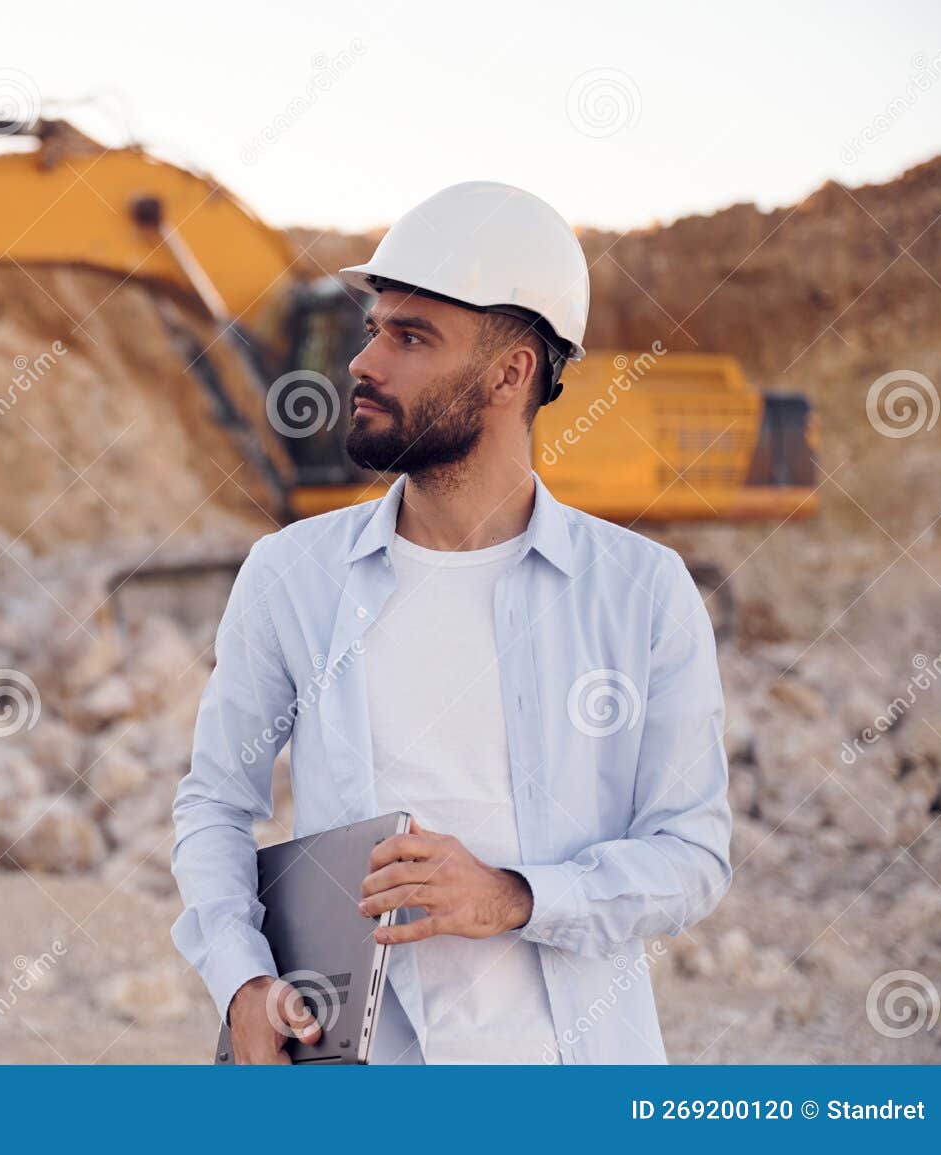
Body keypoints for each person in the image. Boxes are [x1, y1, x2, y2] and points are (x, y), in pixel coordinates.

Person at [170, 181, 732, 1064]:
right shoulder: (291, 575)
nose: (365, 363)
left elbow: (693, 852)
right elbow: (213, 804)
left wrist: (513, 896)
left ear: (511, 373)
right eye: (372, 330)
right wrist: (243, 982)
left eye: (412, 336)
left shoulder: (643, 593)